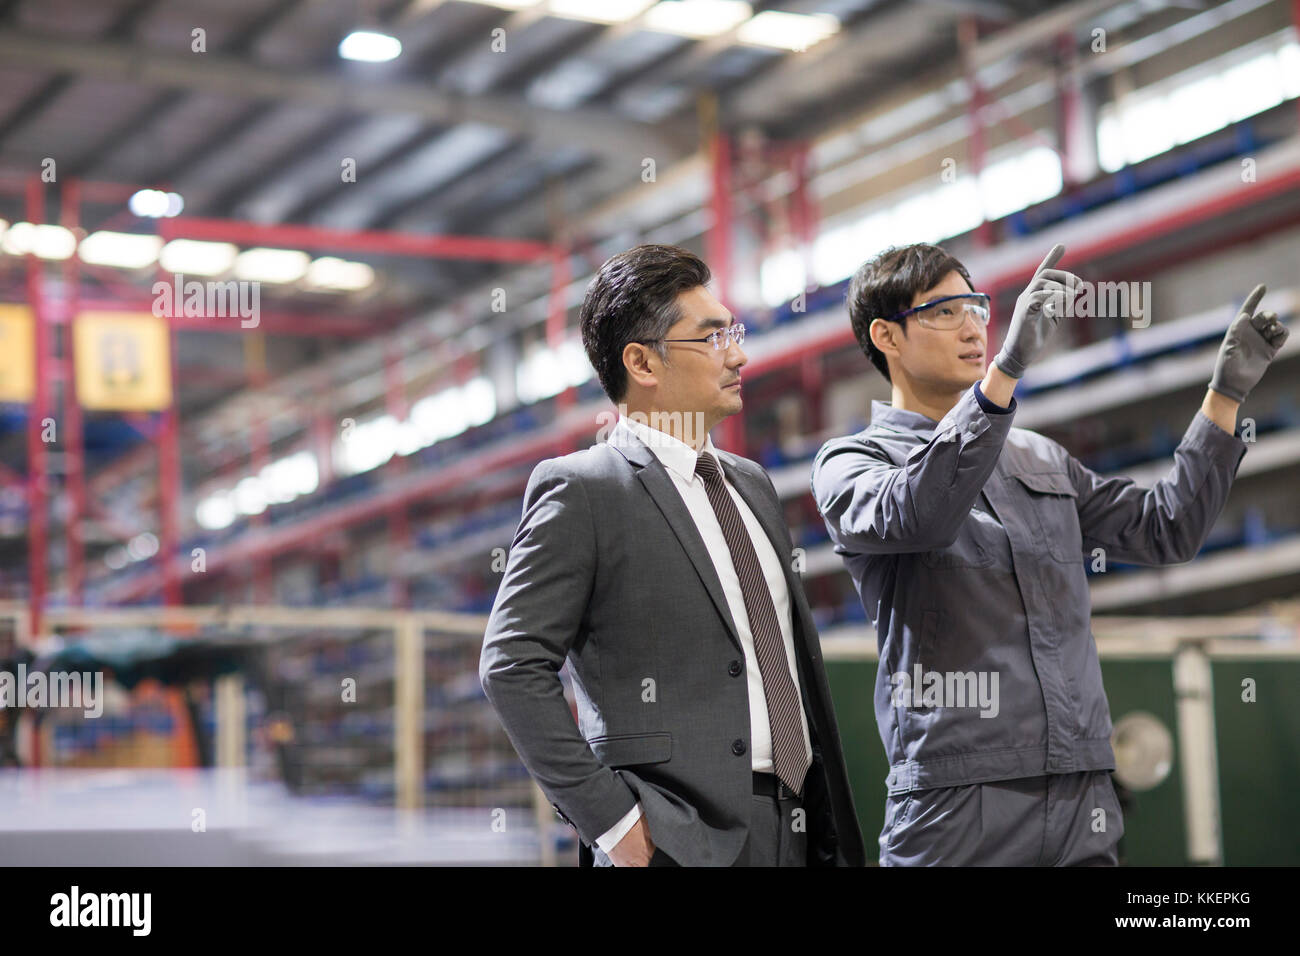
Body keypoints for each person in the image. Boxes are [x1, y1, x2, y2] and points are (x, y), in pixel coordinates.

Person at [810, 241, 1288, 866]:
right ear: (887, 336)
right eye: (945, 311)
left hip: (1080, 787)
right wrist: (1001, 377)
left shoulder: (1037, 457)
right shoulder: (853, 464)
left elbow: (1164, 529)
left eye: (977, 306)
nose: (974, 325)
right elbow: (921, 512)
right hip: (960, 795)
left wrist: (1223, 398)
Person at [481, 244, 866, 866]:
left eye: (732, 333)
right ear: (642, 362)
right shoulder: (583, 489)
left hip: (797, 828)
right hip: (673, 839)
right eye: (711, 338)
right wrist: (615, 826)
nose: (737, 353)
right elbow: (511, 665)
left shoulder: (752, 484)